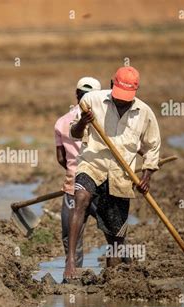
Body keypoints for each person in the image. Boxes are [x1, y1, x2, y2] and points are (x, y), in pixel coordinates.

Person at [64, 66, 161, 279]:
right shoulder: (91, 101)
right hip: (92, 165)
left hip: (121, 175)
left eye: (127, 99)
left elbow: (153, 146)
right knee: (80, 197)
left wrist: (147, 175)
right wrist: (83, 122)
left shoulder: (144, 113)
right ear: (111, 85)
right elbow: (74, 132)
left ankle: (113, 278)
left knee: (115, 234)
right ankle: (70, 262)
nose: (121, 102)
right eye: (118, 97)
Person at [54, 77, 101, 268]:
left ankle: (73, 275)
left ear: (76, 95)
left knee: (71, 239)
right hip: (100, 185)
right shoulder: (105, 121)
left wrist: (76, 171)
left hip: (73, 187)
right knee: (115, 234)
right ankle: (120, 273)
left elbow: (61, 159)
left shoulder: (62, 122)